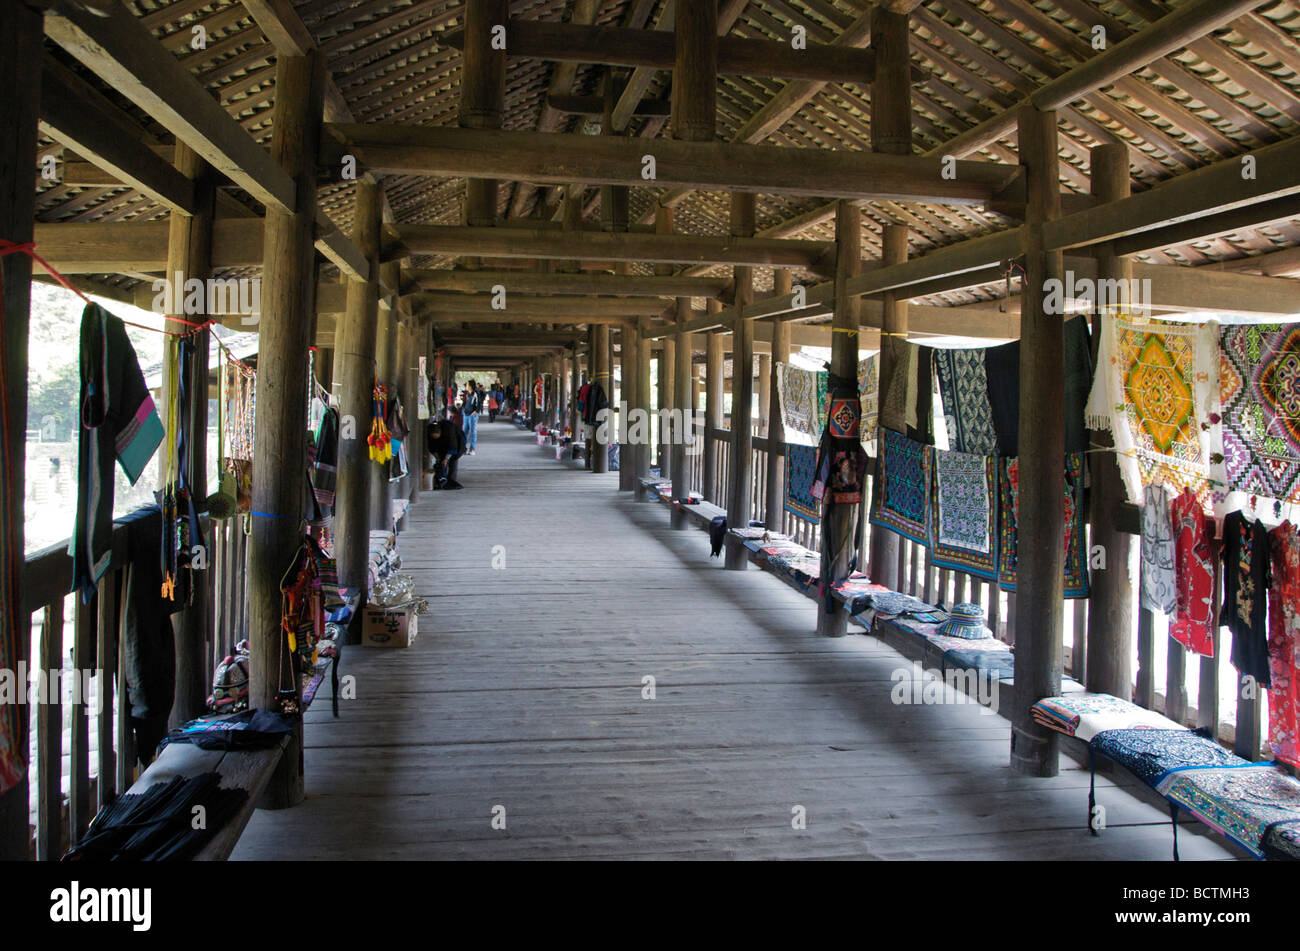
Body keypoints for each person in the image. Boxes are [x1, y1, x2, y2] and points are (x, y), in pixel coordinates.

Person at [426, 417, 465, 489]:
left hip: (457, 444)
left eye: (436, 437)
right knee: (441, 462)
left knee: (452, 462)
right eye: (434, 438)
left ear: (440, 432)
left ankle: (451, 480)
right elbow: (432, 447)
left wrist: (446, 458)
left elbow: (453, 446)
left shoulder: (449, 431)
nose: (435, 438)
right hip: (441, 447)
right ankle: (442, 479)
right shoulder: (430, 433)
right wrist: (437, 457)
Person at [461, 379, 480, 454]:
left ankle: (472, 449)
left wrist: (476, 411)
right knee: (464, 432)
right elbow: (465, 403)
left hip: (472, 415)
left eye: (467, 384)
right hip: (466, 414)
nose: (466, 386)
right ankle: (463, 448)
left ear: (471, 386)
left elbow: (479, 403)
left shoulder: (476, 394)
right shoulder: (467, 394)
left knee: (473, 432)